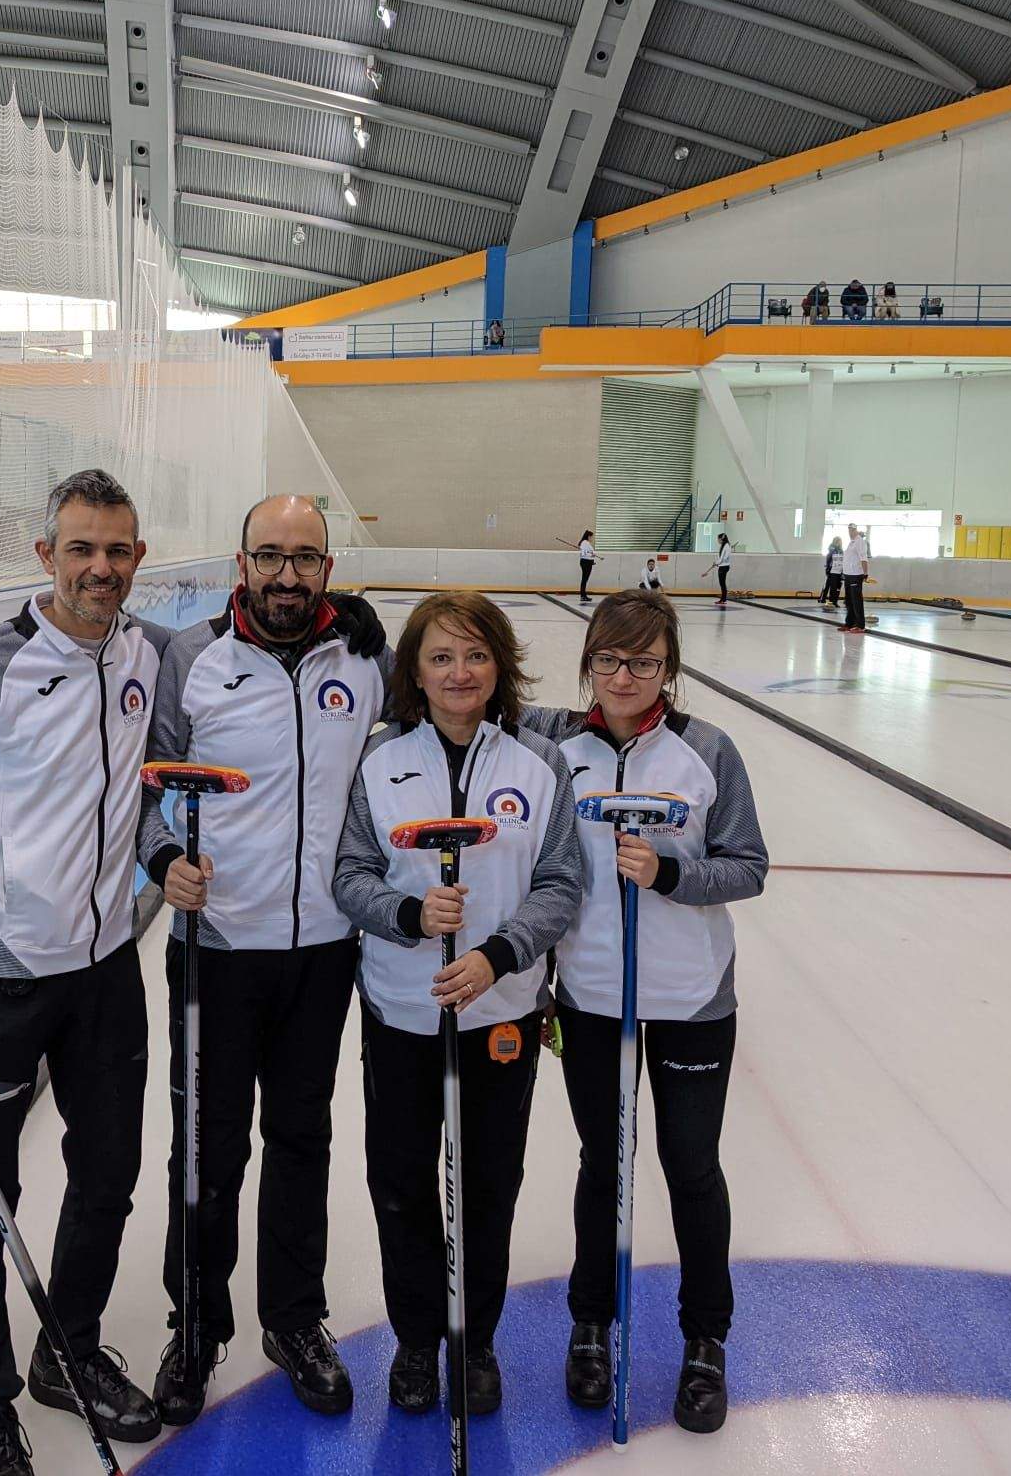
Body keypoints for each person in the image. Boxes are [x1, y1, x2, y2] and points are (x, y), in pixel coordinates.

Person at [0, 469, 169, 1476]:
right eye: (83, 549)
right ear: (47, 556)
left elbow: (133, 797)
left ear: (139, 559)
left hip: (104, 969)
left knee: (110, 1174)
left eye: (119, 550)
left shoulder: (145, 654)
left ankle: (68, 1349)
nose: (101, 567)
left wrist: (158, 857)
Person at [138, 495, 393, 1424]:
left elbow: (459, 708)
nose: (287, 576)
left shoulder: (366, 659)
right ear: (241, 562)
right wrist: (166, 861)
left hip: (323, 950)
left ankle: (293, 1320)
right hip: (216, 950)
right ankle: (197, 1326)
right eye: (270, 557)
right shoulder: (190, 658)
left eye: (306, 559)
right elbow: (144, 787)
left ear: (329, 567)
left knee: (302, 1139)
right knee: (206, 1151)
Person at [519, 589, 767, 1436]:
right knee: (604, 1164)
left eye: (646, 662)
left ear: (672, 668)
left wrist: (670, 875)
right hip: (592, 998)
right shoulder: (556, 748)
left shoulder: (708, 752)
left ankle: (705, 1341)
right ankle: (591, 1324)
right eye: (611, 660)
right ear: (589, 662)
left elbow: (749, 865)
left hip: (691, 1002)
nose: (627, 677)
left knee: (691, 1168)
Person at [332, 592, 582, 1417]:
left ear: (500, 667)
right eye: (441, 657)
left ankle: (473, 1343)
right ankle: (414, 1340)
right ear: (416, 673)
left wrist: (497, 955)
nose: (459, 673)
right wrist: (406, 915)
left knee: (487, 1185)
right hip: (402, 1013)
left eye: (475, 655)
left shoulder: (537, 767)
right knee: (401, 1182)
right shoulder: (380, 764)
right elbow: (351, 876)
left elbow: (560, 884)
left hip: (500, 1014)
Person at [840, 524, 871, 633]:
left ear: (856, 530)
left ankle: (860, 625)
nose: (850, 532)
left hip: (856, 575)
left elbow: (864, 558)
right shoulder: (851, 542)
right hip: (848, 575)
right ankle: (849, 623)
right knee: (849, 601)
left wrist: (865, 573)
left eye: (852, 530)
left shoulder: (860, 542)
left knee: (856, 601)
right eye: (849, 530)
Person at [708, 533, 732, 606]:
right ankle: (722, 599)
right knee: (722, 583)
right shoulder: (723, 545)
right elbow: (721, 557)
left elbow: (724, 558)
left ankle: (723, 599)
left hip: (724, 567)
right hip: (722, 566)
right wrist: (716, 562)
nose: (717, 540)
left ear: (721, 539)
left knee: (722, 584)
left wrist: (717, 563)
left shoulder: (727, 546)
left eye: (718, 539)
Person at [821, 537, 844, 609]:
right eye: (838, 541)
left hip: (840, 571)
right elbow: (828, 559)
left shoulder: (841, 550)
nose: (839, 543)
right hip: (833, 571)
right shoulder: (831, 549)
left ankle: (835, 601)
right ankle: (831, 601)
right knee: (832, 587)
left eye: (840, 541)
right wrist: (828, 569)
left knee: (838, 587)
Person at [577, 531, 598, 602]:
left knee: (585, 579)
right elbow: (583, 554)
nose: (592, 538)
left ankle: (583, 595)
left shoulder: (586, 543)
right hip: (585, 562)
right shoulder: (584, 543)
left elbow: (588, 552)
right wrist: (591, 555)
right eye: (592, 537)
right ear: (589, 536)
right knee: (584, 579)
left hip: (588, 562)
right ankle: (583, 596)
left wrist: (592, 557)